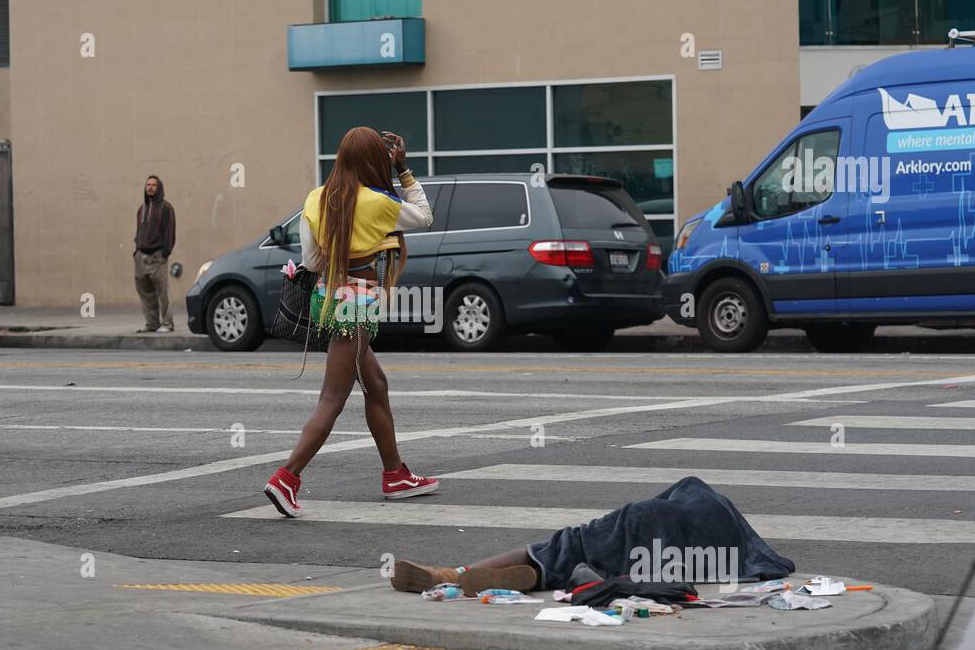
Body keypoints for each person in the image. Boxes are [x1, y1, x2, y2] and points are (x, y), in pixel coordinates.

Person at [263, 127, 438, 518]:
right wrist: (404, 170)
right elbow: (425, 216)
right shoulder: (377, 202)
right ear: (374, 160)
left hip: (331, 296)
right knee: (333, 398)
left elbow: (310, 262)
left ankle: (395, 474)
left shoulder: (316, 198)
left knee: (376, 384)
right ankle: (286, 478)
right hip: (357, 303)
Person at [387, 477, 796, 596]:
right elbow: (769, 563)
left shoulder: (694, 504)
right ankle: (544, 576)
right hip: (667, 537)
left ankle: (456, 573)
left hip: (649, 521)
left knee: (572, 541)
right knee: (579, 552)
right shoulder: (739, 549)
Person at [134, 174, 176, 333]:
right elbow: (139, 231)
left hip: (158, 256)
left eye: (154, 185)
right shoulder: (141, 208)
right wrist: (136, 251)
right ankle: (152, 324)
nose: (150, 187)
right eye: (148, 185)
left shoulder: (166, 207)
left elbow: (170, 231)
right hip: (141, 256)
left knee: (163, 292)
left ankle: (167, 324)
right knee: (146, 293)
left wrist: (165, 252)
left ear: (159, 188)